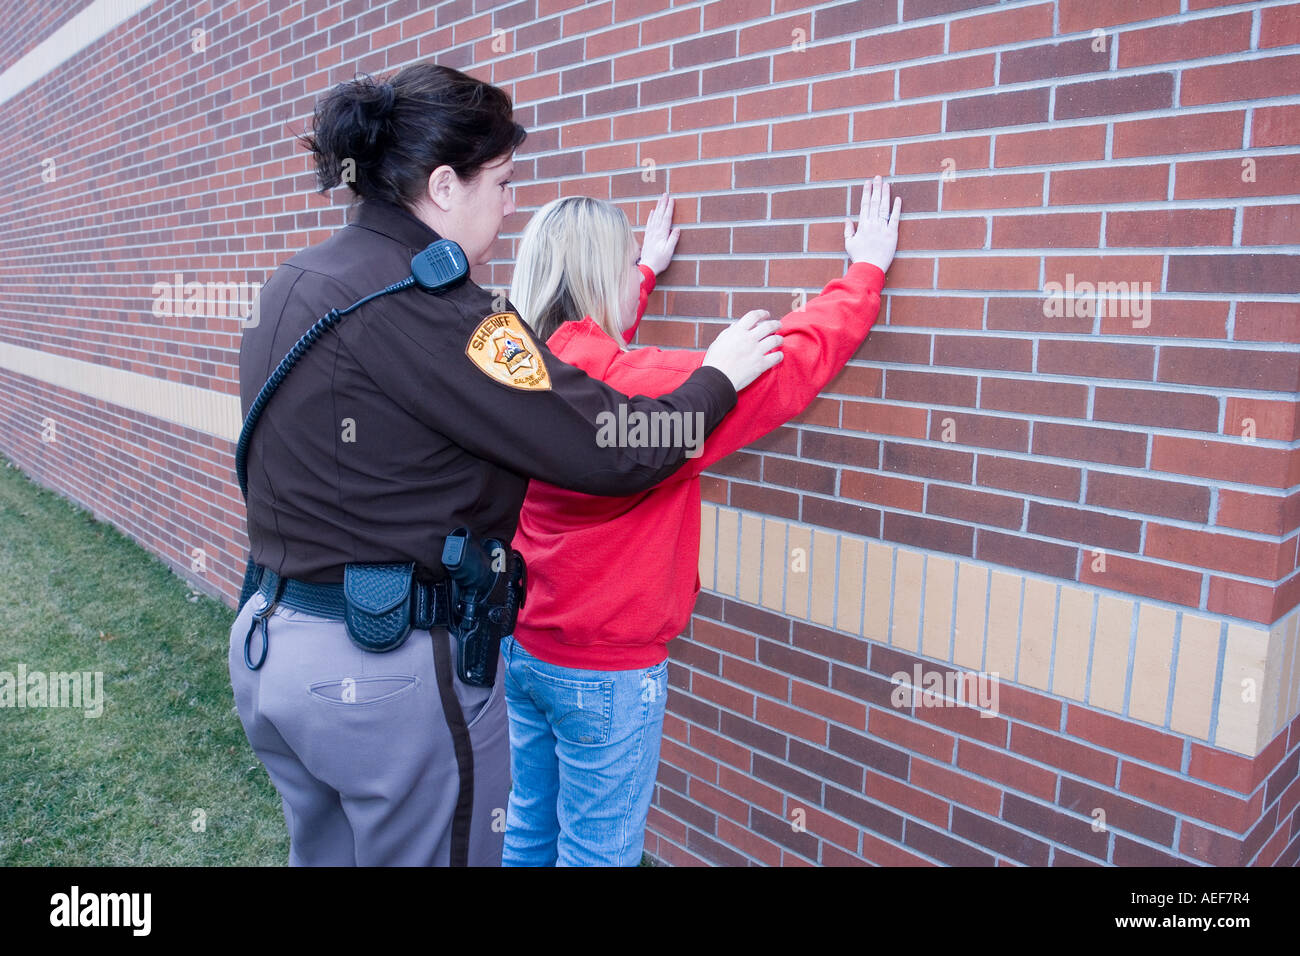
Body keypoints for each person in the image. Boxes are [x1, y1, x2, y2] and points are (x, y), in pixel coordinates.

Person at [227, 62, 783, 867]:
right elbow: (609, 446)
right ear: (445, 185)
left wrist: (639, 278)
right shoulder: (442, 311)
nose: (512, 201)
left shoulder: (293, 284)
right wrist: (719, 376)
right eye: (504, 180)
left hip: (272, 648)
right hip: (388, 674)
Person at [501, 176, 902, 866]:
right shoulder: (644, 387)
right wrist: (863, 273)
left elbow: (597, 377)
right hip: (607, 674)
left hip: (526, 650)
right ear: (601, 275)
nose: (635, 273)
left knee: (532, 833)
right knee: (598, 854)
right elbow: (790, 366)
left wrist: (646, 273)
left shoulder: (517, 365)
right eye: (624, 263)